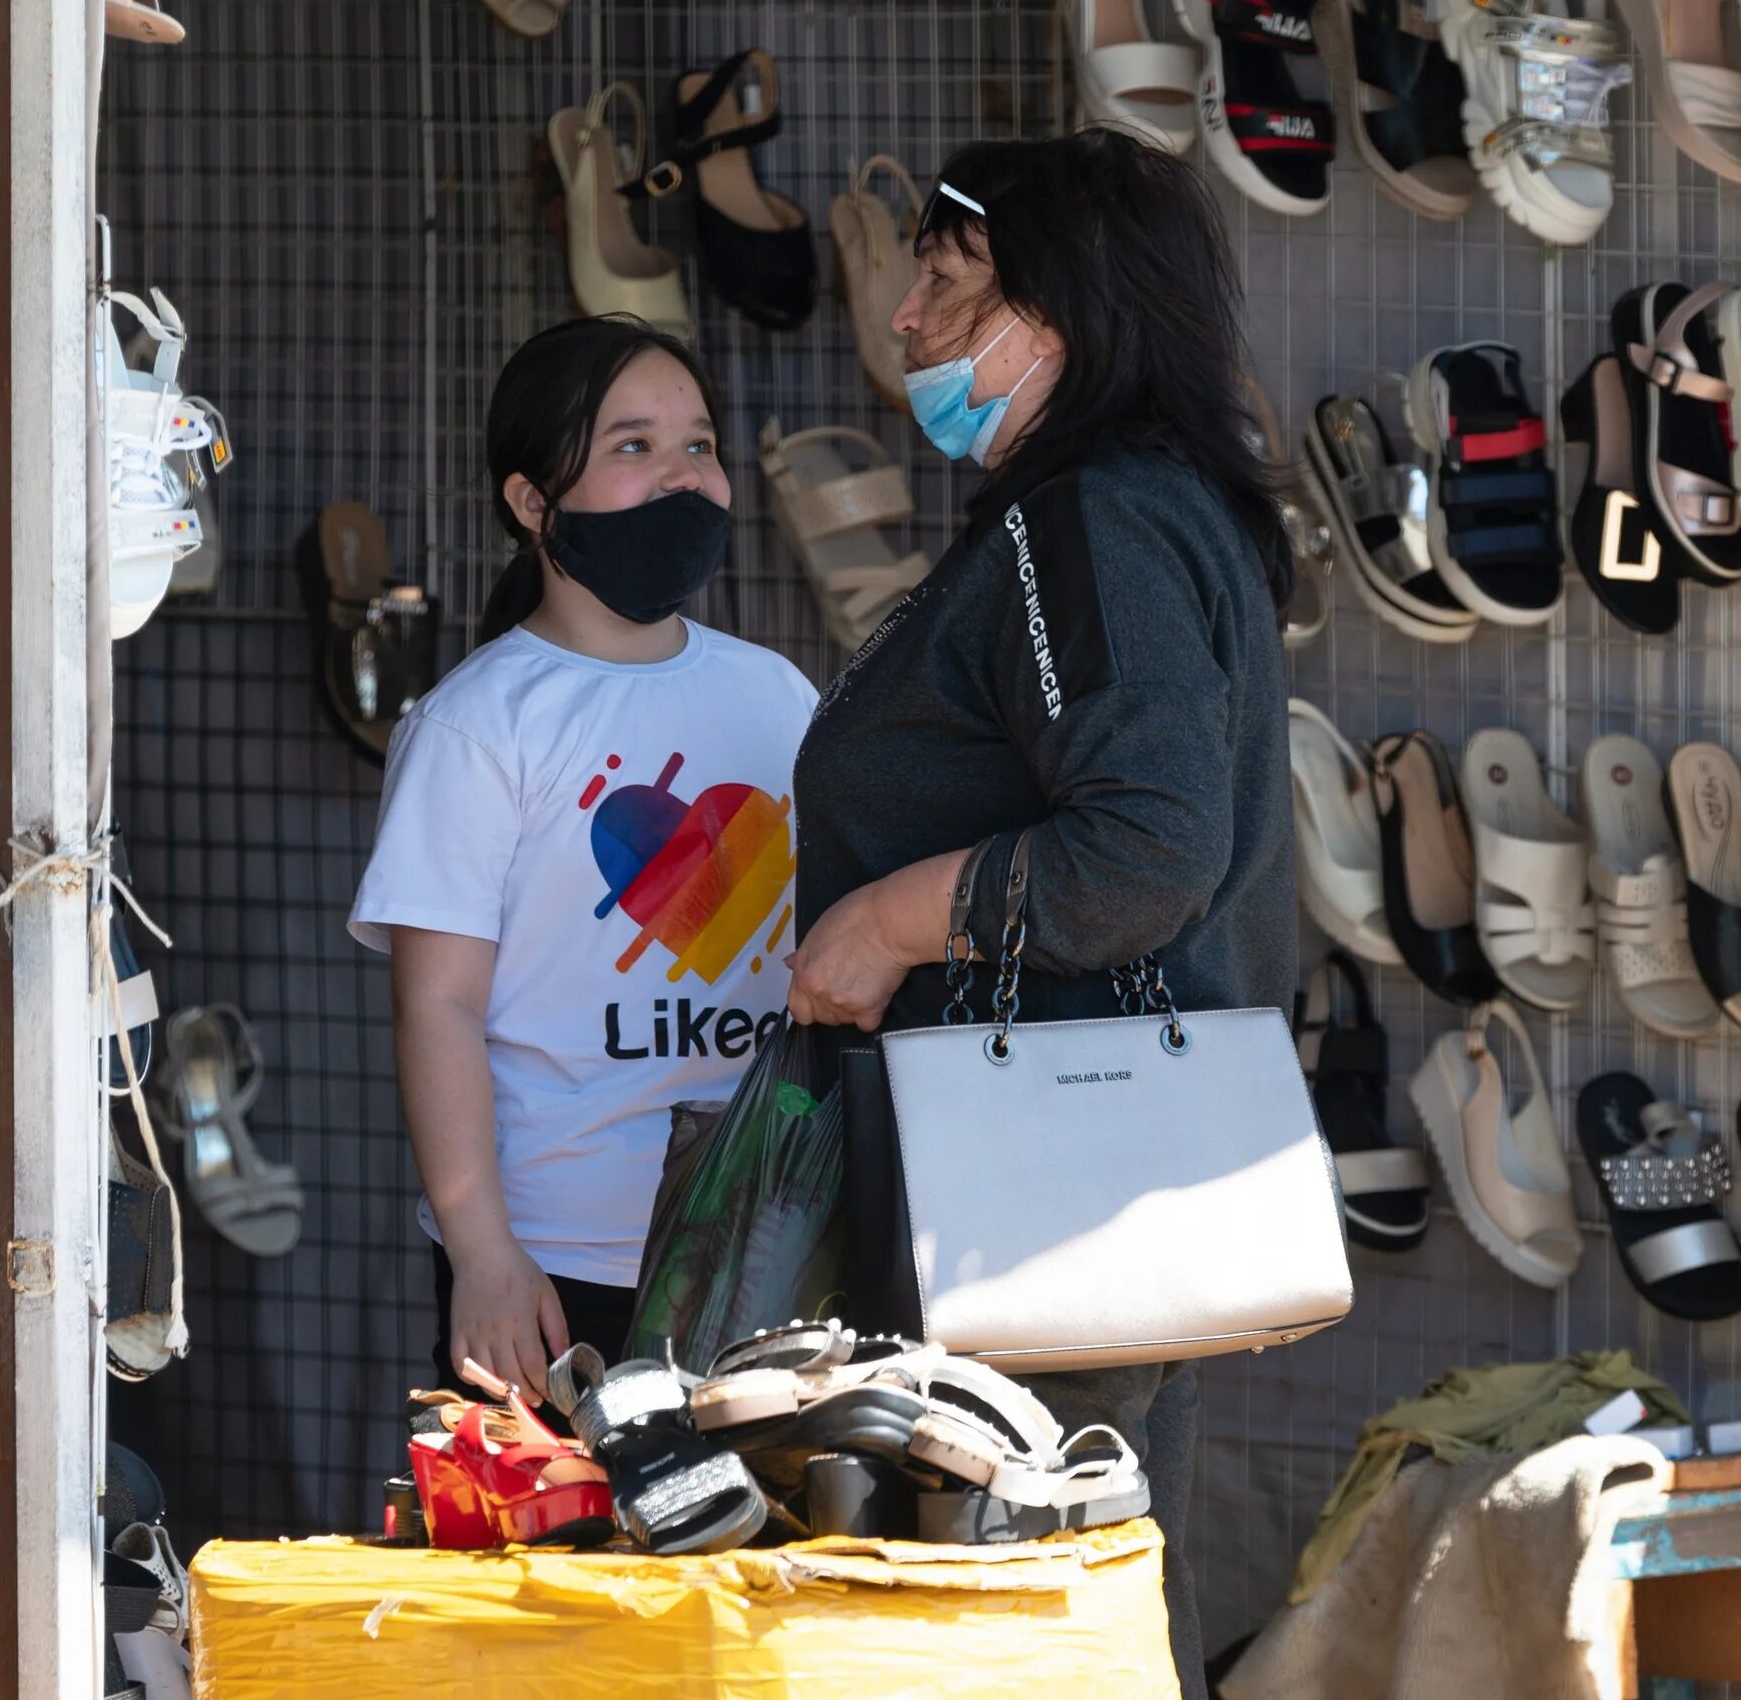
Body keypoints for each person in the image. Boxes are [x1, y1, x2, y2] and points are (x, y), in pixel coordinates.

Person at [784, 129, 1295, 1699]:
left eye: (947, 283)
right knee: (1094, 1617)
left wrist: (882, 919)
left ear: (1059, 314)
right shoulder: (1126, 511)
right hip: (1073, 1193)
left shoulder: (1093, 525)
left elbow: (1143, 849)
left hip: (1037, 1202)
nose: (911, 324)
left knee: (1007, 1628)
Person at [348, 315, 817, 1401]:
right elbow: (438, 1008)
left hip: (769, 1233)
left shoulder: (778, 694)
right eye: (632, 446)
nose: (680, 479)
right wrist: (483, 1251)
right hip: (555, 1267)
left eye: (699, 445)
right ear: (529, 501)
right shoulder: (477, 724)